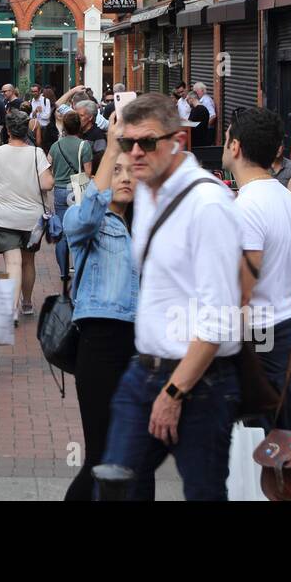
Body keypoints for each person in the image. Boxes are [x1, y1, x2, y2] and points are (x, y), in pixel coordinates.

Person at [99, 92, 242, 501]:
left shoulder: (208, 204)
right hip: (143, 369)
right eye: (127, 143)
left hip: (202, 381)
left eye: (148, 142)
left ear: (177, 141)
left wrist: (175, 392)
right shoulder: (145, 189)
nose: (136, 152)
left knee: (203, 493)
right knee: (114, 486)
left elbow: (219, 318)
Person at [222, 108, 291, 430]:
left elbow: (241, 295)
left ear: (235, 147)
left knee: (257, 465)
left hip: (260, 347)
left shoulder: (246, 208)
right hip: (289, 340)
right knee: (289, 461)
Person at [61, 112, 135, 501]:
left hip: (143, 349)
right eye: (116, 170)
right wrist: (114, 145)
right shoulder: (87, 220)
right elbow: (86, 213)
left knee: (136, 458)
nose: (125, 177)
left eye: (131, 171)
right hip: (101, 344)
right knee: (100, 457)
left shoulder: (148, 224)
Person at [0, 110, 53, 321]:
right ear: (27, 130)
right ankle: (28, 302)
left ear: (8, 130)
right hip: (32, 219)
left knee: (12, 263)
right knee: (28, 261)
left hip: (3, 216)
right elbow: (47, 183)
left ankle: (12, 310)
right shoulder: (36, 154)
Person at [49, 111, 94, 282]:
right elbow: (88, 172)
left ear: (65, 127)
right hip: (78, 189)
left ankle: (63, 272)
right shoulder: (84, 145)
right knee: (79, 229)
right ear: (79, 126)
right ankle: (78, 266)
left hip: (60, 189)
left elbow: (48, 165)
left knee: (61, 232)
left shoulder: (56, 145)